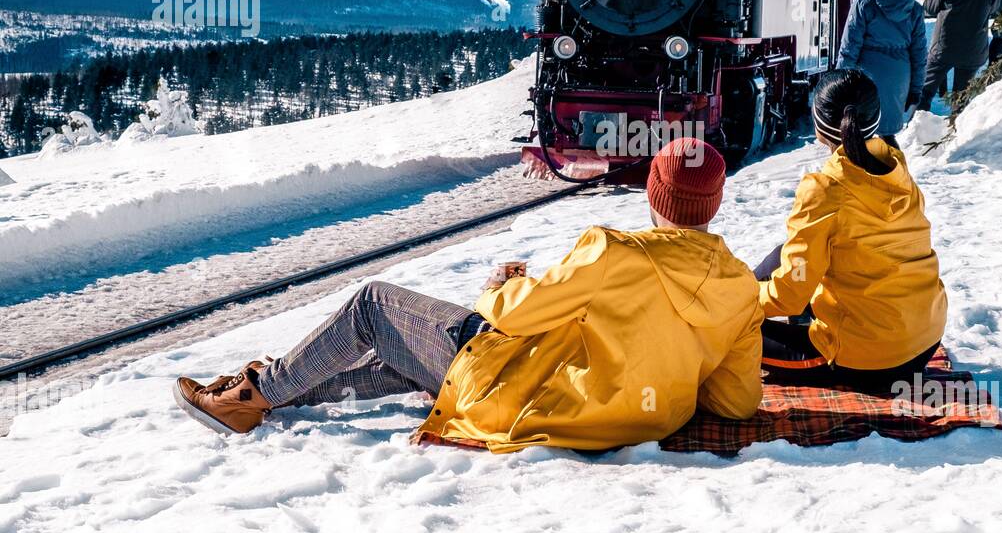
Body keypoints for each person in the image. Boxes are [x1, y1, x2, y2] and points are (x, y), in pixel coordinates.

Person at [173, 137, 765, 452]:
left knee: (376, 305)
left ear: (654, 196)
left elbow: (516, 314)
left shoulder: (616, 253)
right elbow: (737, 402)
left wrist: (504, 284)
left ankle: (257, 392)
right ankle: (273, 400)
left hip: (531, 396)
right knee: (406, 360)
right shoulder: (740, 286)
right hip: (634, 421)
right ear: (713, 204)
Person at [754, 70, 947, 390]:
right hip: (924, 337)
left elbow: (789, 296)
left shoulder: (824, 189)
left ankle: (730, 297)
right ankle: (737, 289)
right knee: (783, 253)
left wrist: (743, 300)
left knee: (732, 328)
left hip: (866, 361)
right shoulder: (895, 168)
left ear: (818, 128)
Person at [835, 0, 927, 144]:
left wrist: (838, 85)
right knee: (887, 137)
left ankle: (861, 174)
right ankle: (894, 172)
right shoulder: (915, 9)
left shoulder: (864, 3)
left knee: (861, 136)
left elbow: (849, 48)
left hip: (866, 77)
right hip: (899, 77)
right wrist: (916, 90)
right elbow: (919, 55)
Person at [917, 0, 1001, 111]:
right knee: (961, 98)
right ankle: (956, 132)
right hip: (973, 49)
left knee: (925, 92)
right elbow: (994, 9)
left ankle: (918, 130)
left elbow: (930, 7)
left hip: (944, 47)